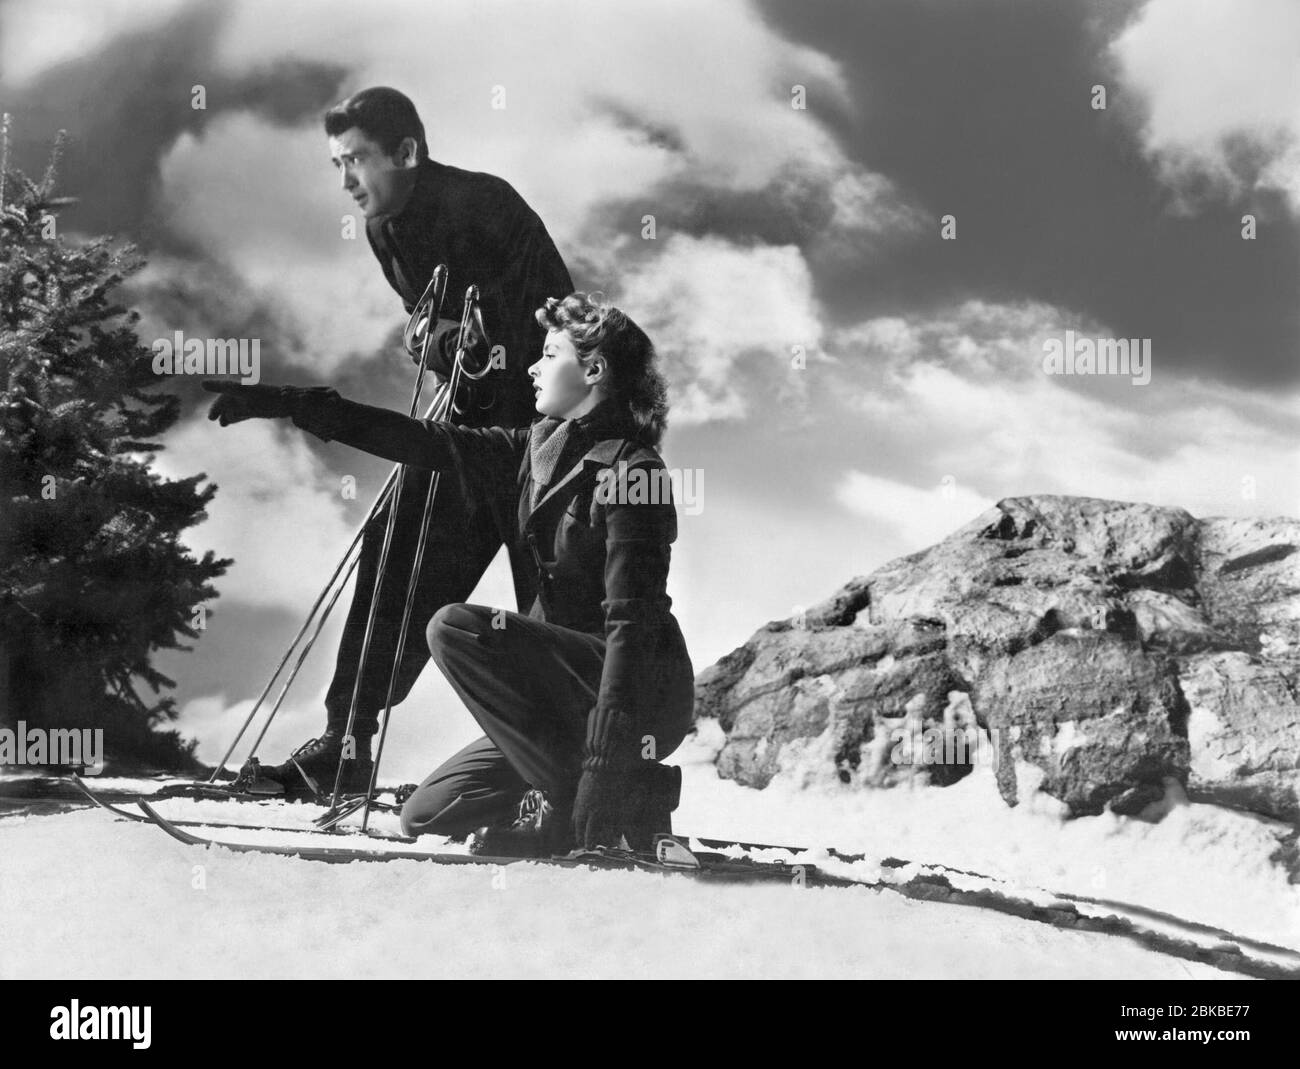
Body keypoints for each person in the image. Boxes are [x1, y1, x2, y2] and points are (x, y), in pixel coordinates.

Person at [205, 294, 693, 854]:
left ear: (593, 370)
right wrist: (294, 404)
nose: (532, 367)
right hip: (561, 696)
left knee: (455, 627)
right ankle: (638, 792)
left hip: (634, 692)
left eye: (549, 353)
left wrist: (606, 761)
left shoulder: (634, 472)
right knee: (428, 815)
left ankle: (591, 796)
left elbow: (634, 622)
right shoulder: (532, 451)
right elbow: (425, 441)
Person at [255, 87, 573, 798]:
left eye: (358, 159)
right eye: (337, 163)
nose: (346, 181)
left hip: (538, 439)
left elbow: (559, 317)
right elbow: (418, 321)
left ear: (407, 152)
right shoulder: (384, 233)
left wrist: (495, 345)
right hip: (462, 429)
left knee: (553, 596)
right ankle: (346, 742)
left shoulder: (485, 204)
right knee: (393, 544)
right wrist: (435, 341)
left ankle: (577, 770)